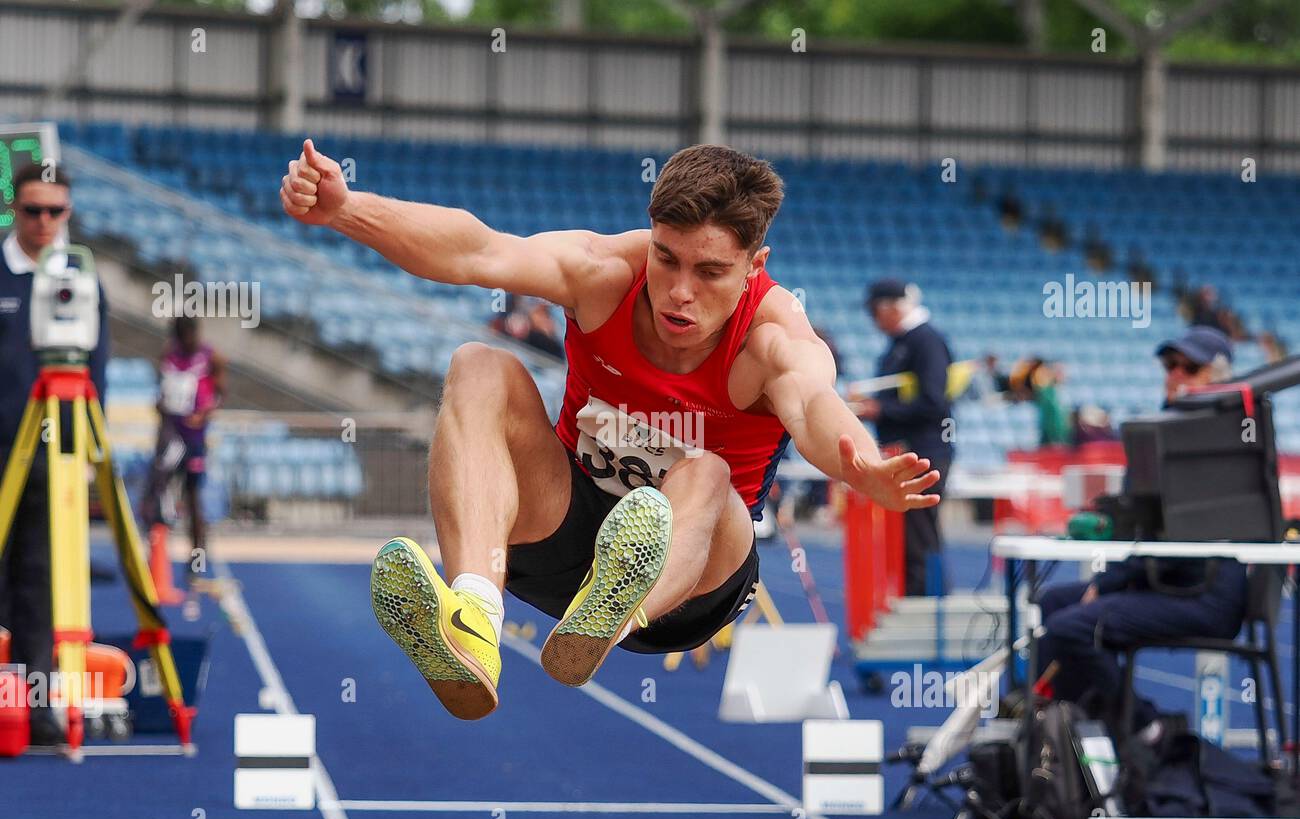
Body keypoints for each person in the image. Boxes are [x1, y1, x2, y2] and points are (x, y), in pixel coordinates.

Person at [281, 140, 941, 720]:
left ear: (752, 265)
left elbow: (812, 405)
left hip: (691, 579)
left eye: (709, 271)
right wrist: (345, 209)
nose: (679, 291)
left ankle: (614, 613)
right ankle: (475, 614)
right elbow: (477, 251)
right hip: (567, 533)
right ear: (650, 237)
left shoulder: (772, 336)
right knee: (478, 365)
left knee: (706, 473)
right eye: (667, 259)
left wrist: (859, 468)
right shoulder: (603, 274)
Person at [1034, 327, 1247, 743]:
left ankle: (1143, 728)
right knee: (1052, 601)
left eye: (1191, 367)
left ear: (1219, 376)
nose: (1176, 374)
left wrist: (1108, 581)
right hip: (1172, 578)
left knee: (1069, 627)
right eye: (1171, 365)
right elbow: (1153, 526)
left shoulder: (1213, 437)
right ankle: (1070, 740)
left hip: (1202, 591)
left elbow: (1178, 540)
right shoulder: (1171, 429)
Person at [0, 164, 109, 744]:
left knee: (40, 588)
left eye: (56, 211)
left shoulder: (84, 282)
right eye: (33, 210)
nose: (45, 223)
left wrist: (92, 453)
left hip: (52, 465)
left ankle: (38, 707)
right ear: (14, 209)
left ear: (68, 213)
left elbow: (99, 375)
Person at [853, 279, 953, 596]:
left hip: (923, 451)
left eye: (874, 311)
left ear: (891, 308)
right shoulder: (905, 342)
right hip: (910, 450)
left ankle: (927, 601)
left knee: (918, 531)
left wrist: (880, 410)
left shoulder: (925, 341)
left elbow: (934, 401)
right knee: (913, 531)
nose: (873, 319)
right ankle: (924, 598)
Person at [140, 314, 226, 596]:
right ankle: (155, 550)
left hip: (194, 437)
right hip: (170, 433)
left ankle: (196, 557)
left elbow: (220, 392)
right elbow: (161, 389)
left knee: (192, 497)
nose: (185, 341)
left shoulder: (211, 356)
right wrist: (161, 405)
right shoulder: (169, 355)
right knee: (159, 485)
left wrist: (203, 414)